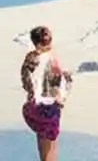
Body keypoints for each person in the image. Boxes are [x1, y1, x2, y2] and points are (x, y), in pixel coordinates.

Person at [20, 26, 72, 161]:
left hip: (34, 106)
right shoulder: (49, 59)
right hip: (48, 105)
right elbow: (60, 81)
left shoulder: (30, 59)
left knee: (44, 143)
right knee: (49, 147)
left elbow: (27, 82)